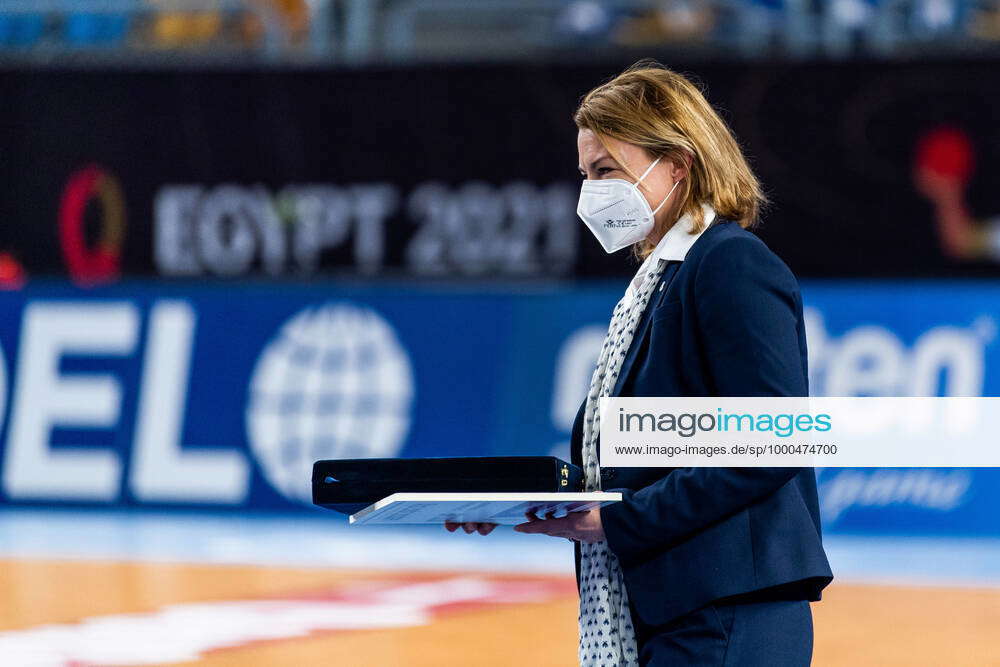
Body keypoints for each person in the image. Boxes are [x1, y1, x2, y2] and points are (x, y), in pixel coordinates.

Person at [447, 60, 833, 666]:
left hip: (728, 614)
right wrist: (507, 503)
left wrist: (619, 520)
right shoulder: (658, 284)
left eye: (606, 169)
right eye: (585, 173)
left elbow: (774, 440)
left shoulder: (731, 265)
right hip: (672, 611)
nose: (590, 192)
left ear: (677, 165)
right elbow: (633, 465)